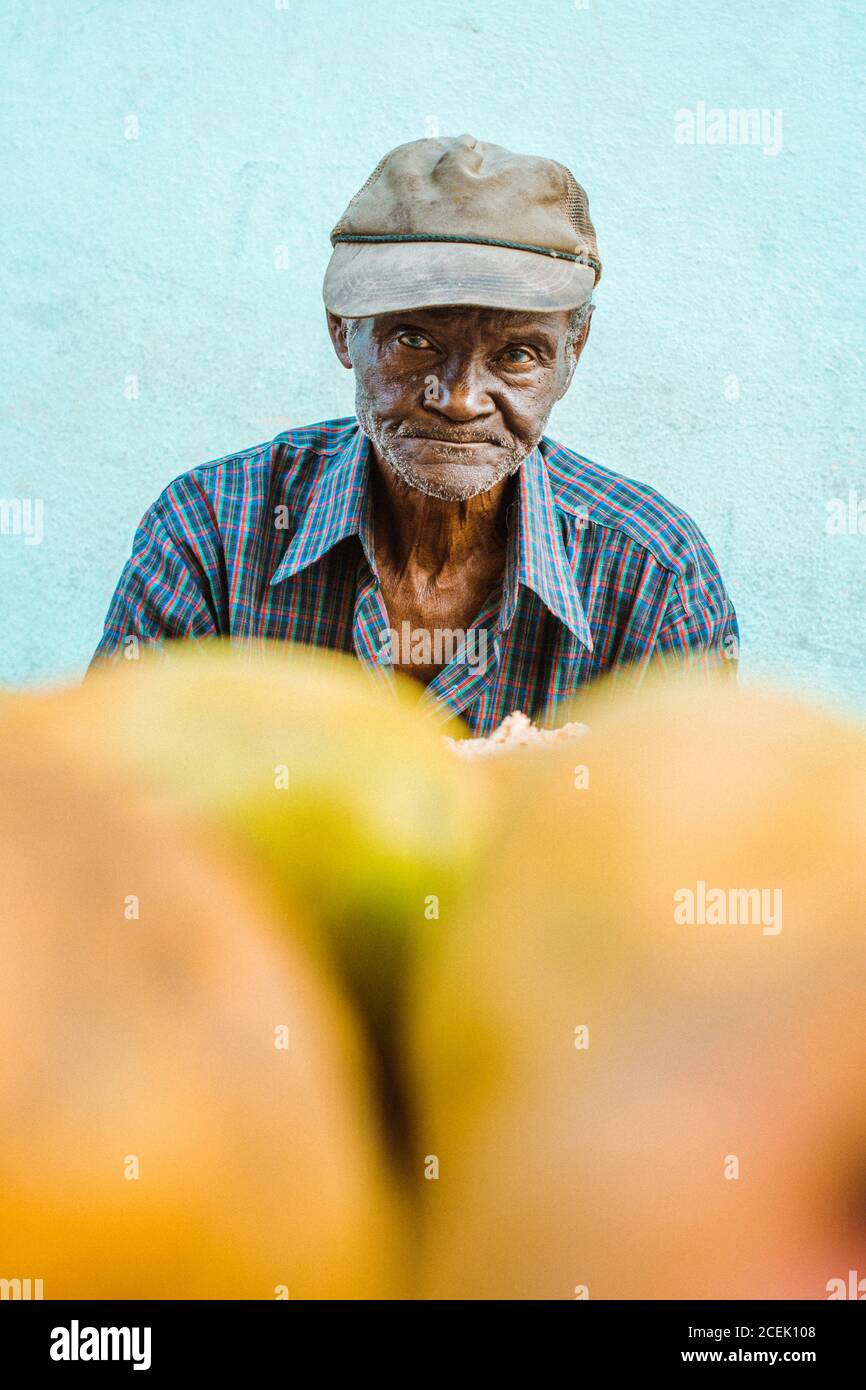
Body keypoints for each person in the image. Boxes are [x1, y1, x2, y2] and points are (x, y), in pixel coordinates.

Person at [91, 133, 738, 734]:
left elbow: (705, 840)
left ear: (574, 350)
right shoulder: (212, 528)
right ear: (343, 329)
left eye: (517, 354)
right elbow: (99, 797)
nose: (458, 400)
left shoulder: (656, 573)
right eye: (415, 340)